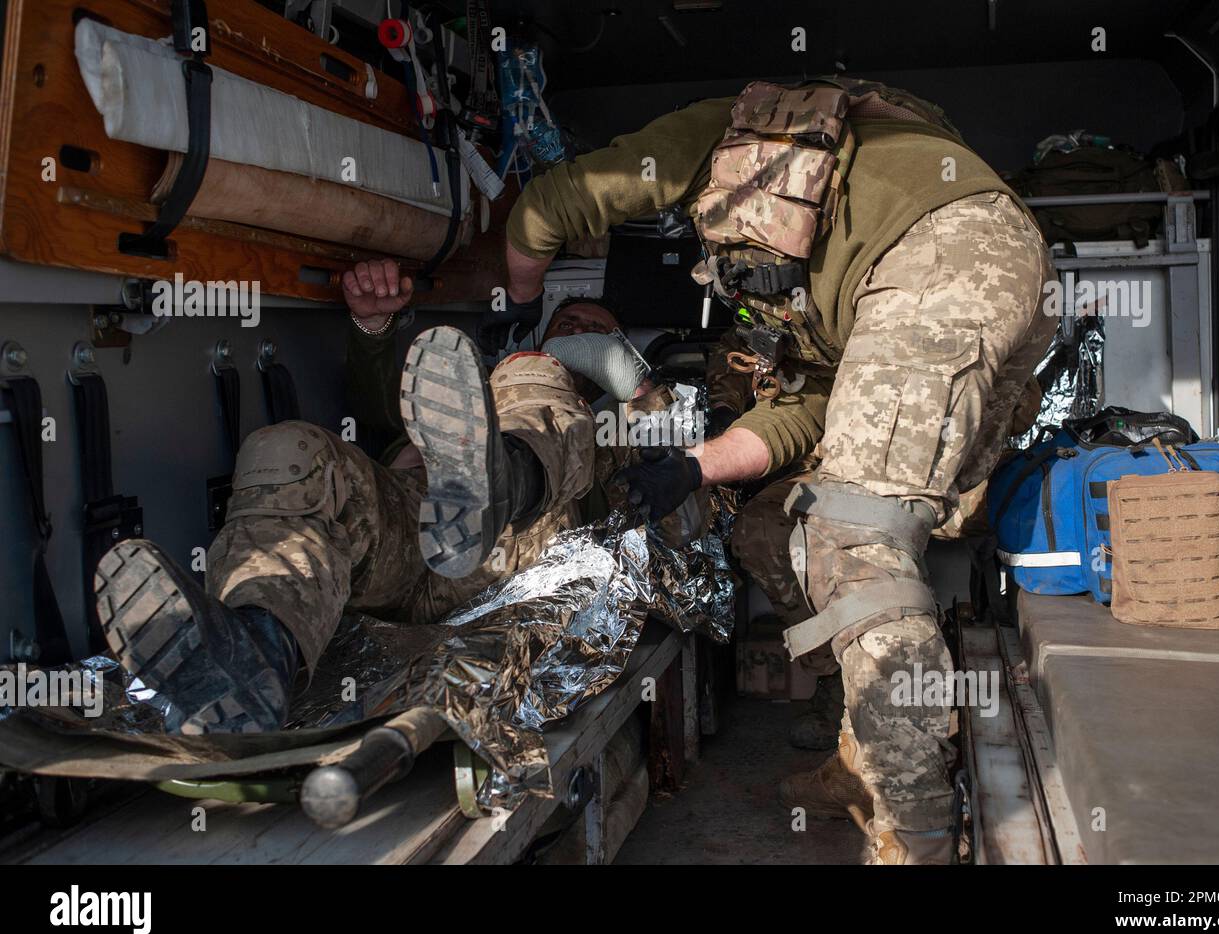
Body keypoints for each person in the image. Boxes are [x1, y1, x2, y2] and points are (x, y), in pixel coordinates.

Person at [483, 78, 1056, 863]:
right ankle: (864, 759)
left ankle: (915, 831)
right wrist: (696, 465)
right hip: (1003, 271)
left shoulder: (722, 133)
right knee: (872, 536)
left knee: (855, 541)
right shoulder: (815, 288)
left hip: (946, 263)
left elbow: (557, 202)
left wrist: (520, 301)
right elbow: (807, 408)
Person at [91, 259, 676, 735]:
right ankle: (254, 654)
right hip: (405, 539)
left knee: (533, 385)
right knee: (287, 447)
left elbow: (670, 443)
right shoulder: (462, 391)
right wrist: (373, 329)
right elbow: (374, 415)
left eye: (591, 329)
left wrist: (627, 379)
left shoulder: (606, 422)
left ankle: (499, 485)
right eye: (566, 323)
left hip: (503, 556)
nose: (574, 332)